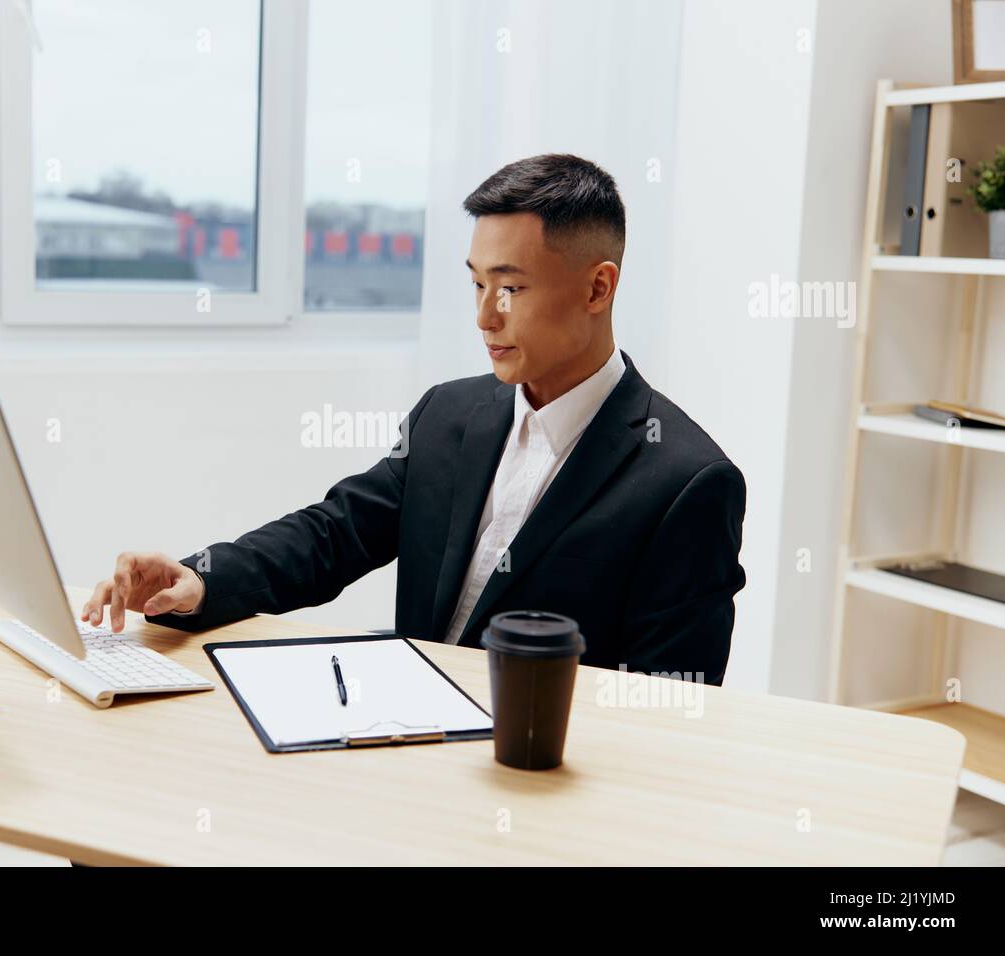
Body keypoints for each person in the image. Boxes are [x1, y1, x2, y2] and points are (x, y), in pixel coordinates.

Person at [81, 153, 746, 685]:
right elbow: (335, 532)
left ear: (598, 288)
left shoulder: (687, 482)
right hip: (397, 729)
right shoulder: (450, 412)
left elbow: (667, 705)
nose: (485, 316)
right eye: (477, 283)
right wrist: (199, 578)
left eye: (510, 287)